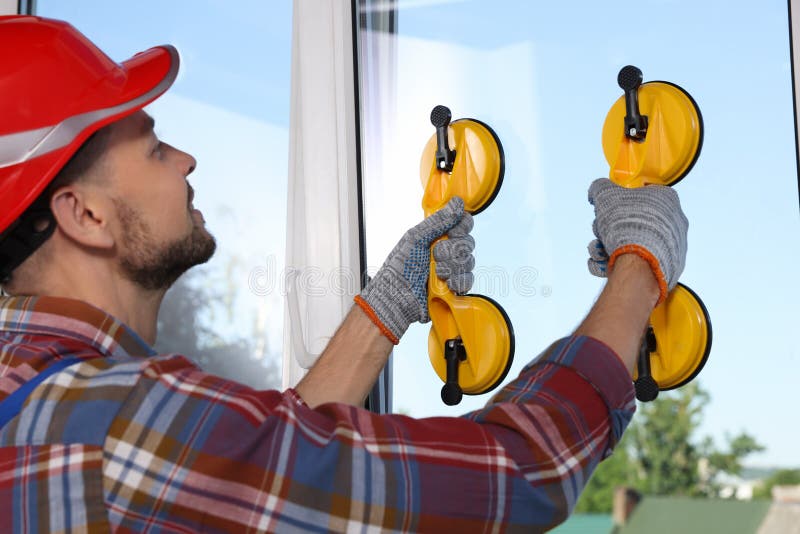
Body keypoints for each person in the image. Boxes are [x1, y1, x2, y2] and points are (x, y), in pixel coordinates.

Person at [0, 15, 688, 533]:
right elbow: (525, 470)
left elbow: (267, 473)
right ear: (83, 214)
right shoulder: (119, 424)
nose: (185, 160)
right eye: (153, 148)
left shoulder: (41, 402)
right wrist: (637, 268)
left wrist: (385, 309)